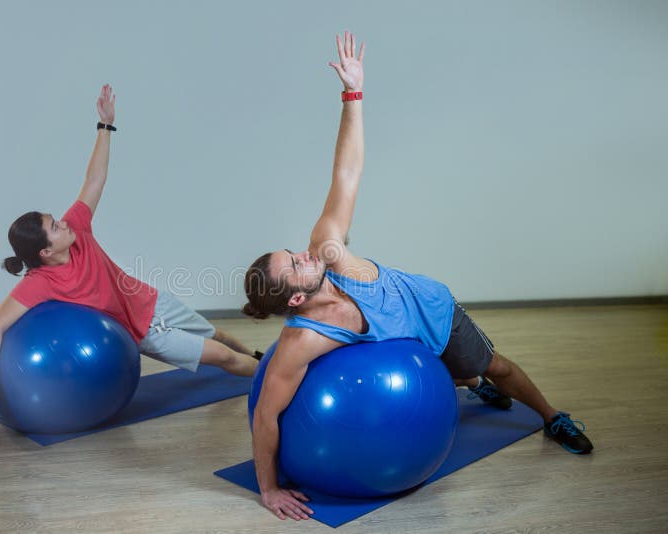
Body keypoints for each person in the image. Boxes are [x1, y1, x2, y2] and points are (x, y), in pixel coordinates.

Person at [242, 32, 593, 521]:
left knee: (496, 370)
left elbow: (347, 171)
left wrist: (353, 94)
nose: (303, 253)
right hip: (404, 343)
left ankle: (553, 417)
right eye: (295, 264)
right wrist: (268, 490)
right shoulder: (300, 343)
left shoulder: (329, 249)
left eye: (292, 252)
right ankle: (469, 381)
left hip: (431, 310)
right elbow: (265, 415)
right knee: (461, 378)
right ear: (296, 300)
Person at [0, 85, 261, 425]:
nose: (63, 222)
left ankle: (262, 361)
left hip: (151, 300)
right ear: (46, 251)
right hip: (144, 334)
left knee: (217, 334)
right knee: (224, 358)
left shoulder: (78, 229)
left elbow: (94, 179)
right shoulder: (39, 284)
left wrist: (105, 126)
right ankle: (276, 379)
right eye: (54, 226)